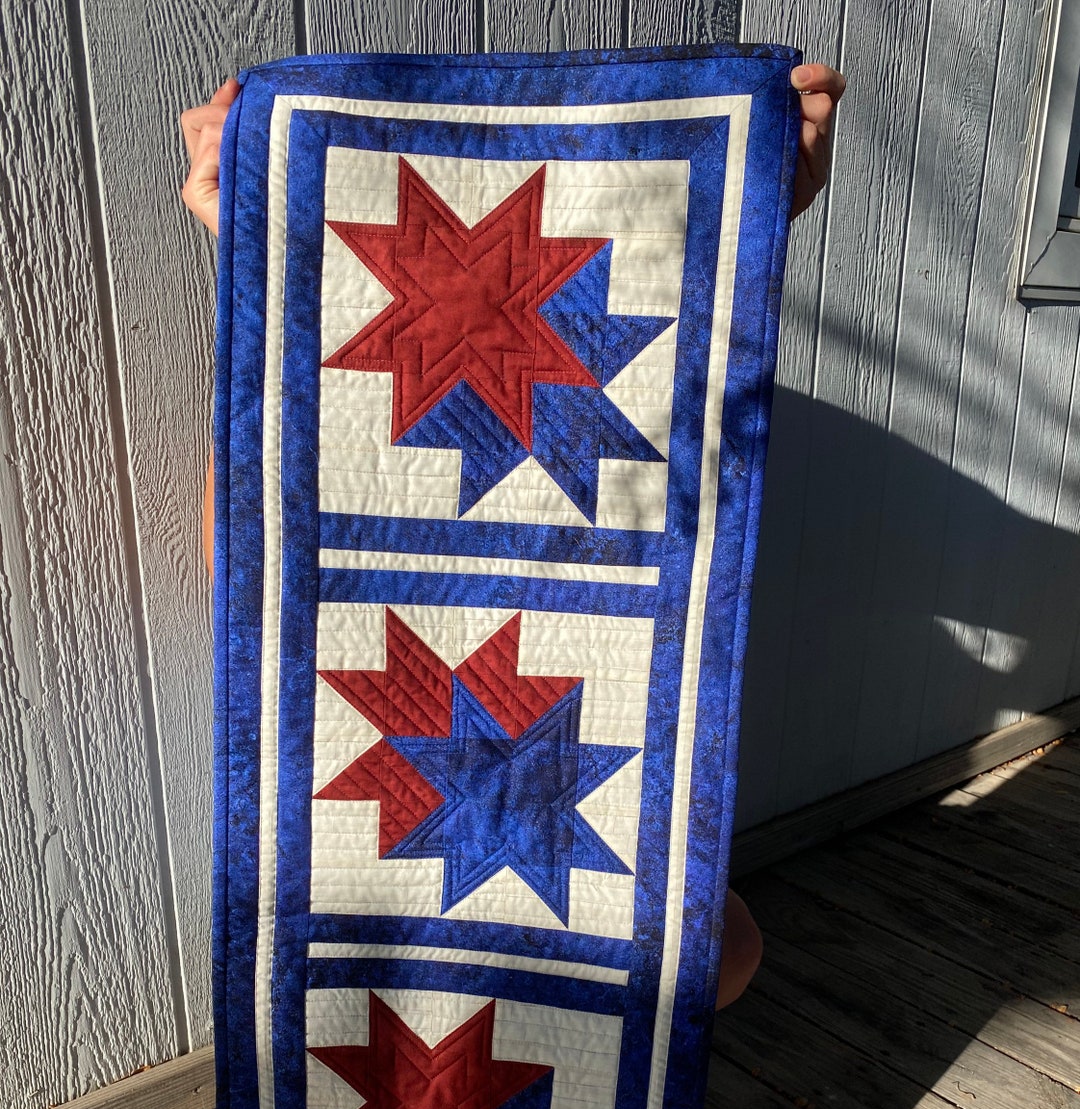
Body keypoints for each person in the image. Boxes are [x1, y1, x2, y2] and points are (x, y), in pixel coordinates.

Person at [181, 60, 846, 1010]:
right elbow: (259, 564)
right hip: (398, 770)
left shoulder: (598, 455)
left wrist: (746, 212)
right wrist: (260, 241)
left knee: (715, 952)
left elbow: (638, 395)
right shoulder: (343, 466)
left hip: (520, 746)